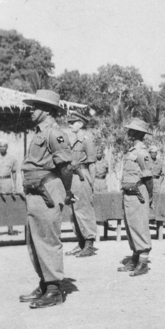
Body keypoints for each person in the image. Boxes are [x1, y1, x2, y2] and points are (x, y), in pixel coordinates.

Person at [18, 90, 74, 309]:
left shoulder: (54, 134)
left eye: (36, 106)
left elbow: (66, 166)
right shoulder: (39, 132)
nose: (32, 110)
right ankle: (44, 284)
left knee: (48, 239)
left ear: (48, 110)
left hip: (47, 191)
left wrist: (65, 191)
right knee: (34, 240)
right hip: (35, 191)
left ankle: (54, 289)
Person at [117, 118, 154, 277]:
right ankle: (135, 257)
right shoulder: (132, 150)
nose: (128, 132)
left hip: (138, 193)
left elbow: (148, 178)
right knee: (131, 225)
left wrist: (150, 197)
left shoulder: (142, 152)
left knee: (139, 225)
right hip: (129, 193)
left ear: (139, 133)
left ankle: (143, 263)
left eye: (131, 130)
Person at [66, 110, 98, 258]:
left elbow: (92, 163)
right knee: (74, 211)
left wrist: (91, 184)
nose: (70, 125)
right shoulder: (72, 140)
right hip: (72, 178)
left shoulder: (87, 140)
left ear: (80, 124)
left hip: (82, 176)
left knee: (84, 209)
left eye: (73, 123)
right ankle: (80, 242)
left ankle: (89, 244)